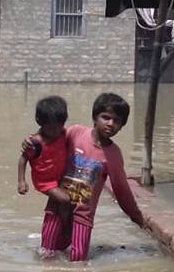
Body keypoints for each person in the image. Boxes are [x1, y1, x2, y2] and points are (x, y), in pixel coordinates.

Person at [28, 93, 144, 262]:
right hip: (57, 206)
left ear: (121, 126)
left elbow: (121, 189)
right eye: (106, 117)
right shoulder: (75, 133)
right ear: (94, 118)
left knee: (78, 260)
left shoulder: (113, 155)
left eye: (116, 121)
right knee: (47, 254)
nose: (110, 124)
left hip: (83, 215)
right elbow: (49, 138)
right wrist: (32, 142)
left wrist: (136, 216)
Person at [17, 96, 71, 213]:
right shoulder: (35, 143)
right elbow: (23, 159)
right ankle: (66, 224)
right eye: (51, 128)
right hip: (45, 182)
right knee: (65, 200)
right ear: (39, 122)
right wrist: (21, 181)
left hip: (60, 177)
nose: (56, 131)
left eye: (59, 127)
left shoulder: (62, 133)